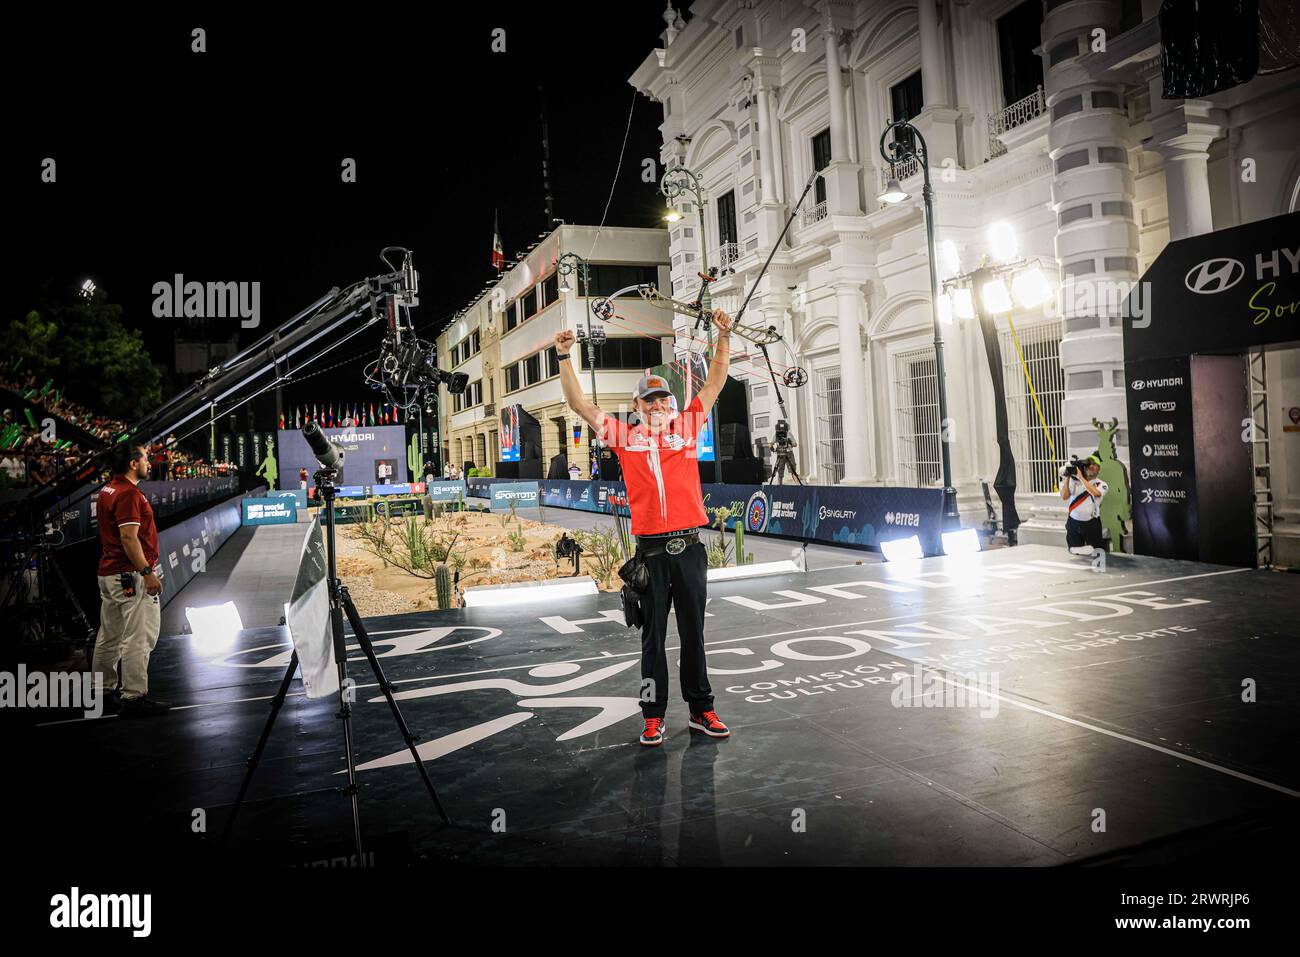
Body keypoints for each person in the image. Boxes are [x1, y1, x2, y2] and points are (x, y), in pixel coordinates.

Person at [555, 309, 734, 747]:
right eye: (648, 400)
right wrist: (564, 357)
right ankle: (652, 715)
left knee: (694, 634)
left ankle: (701, 709)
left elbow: (715, 381)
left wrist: (722, 335)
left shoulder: (688, 426)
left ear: (671, 405)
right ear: (637, 407)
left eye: (663, 400)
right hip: (650, 554)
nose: (657, 406)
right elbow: (579, 404)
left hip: (689, 548)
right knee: (653, 640)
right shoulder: (624, 436)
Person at [92, 443, 170, 716]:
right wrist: (147, 572)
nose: (150, 462)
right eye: (146, 458)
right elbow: (128, 537)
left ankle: (101, 692)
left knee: (109, 636)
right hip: (130, 575)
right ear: (133, 464)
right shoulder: (127, 494)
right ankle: (134, 697)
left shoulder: (109, 489)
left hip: (111, 573)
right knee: (139, 637)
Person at [1059, 452, 1109, 556]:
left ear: (1099, 469)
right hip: (1073, 522)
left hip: (1091, 524)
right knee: (1075, 553)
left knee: (1096, 553)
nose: (1091, 466)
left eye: (1094, 465)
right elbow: (1064, 496)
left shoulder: (1101, 484)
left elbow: (1095, 493)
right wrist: (1068, 477)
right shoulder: (1074, 481)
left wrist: (1081, 477)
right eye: (1089, 464)